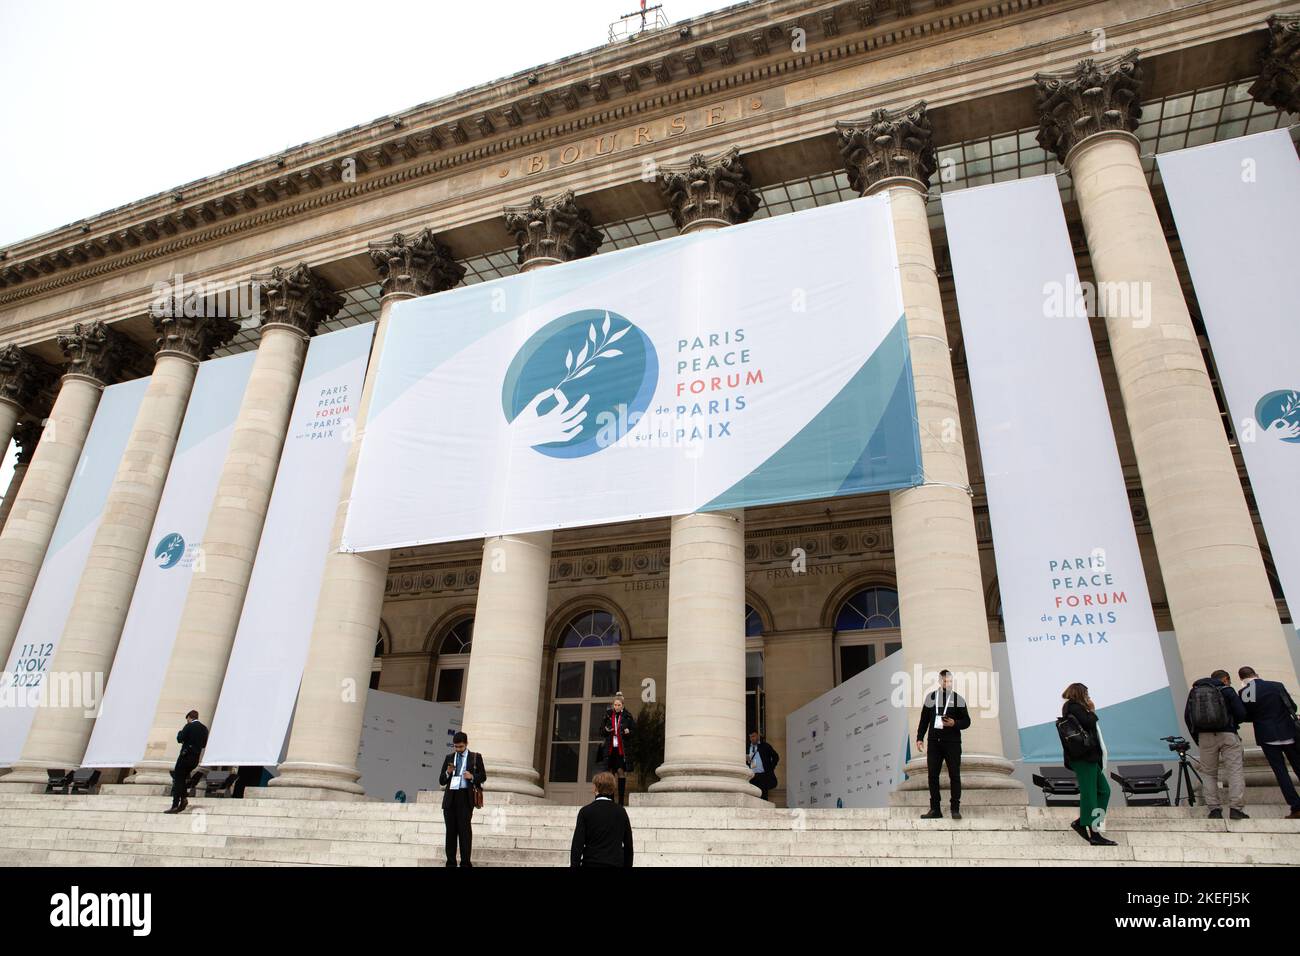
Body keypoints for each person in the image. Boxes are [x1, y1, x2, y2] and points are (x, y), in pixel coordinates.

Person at [1183, 670, 1249, 819]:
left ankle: (1214, 809)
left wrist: (1198, 738)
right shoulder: (1227, 690)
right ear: (1225, 679)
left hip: (1205, 737)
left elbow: (1188, 717)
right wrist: (1232, 725)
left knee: (1208, 773)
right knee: (1234, 771)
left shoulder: (1195, 692)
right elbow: (1241, 713)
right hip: (1228, 735)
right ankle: (1236, 808)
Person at [1239, 666, 1300, 820]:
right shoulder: (1276, 685)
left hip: (1267, 735)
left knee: (1281, 773)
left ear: (1242, 679)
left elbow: (1245, 715)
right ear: (1256, 674)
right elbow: (1292, 707)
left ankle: (1296, 806)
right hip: (1287, 732)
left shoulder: (1245, 692)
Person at [1060, 683, 1116, 846]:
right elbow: (1089, 722)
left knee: (1103, 791)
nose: (1088, 696)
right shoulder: (1073, 707)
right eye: (1086, 693)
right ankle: (1094, 833)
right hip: (1082, 757)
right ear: (1080, 693)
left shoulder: (1074, 707)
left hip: (1089, 757)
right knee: (1090, 793)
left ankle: (1082, 822)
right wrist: (1091, 709)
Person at [915, 669, 970, 820]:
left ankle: (955, 808)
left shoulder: (958, 699)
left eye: (950, 681)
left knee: (955, 775)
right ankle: (935, 809)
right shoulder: (931, 697)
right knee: (932, 776)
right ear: (940, 681)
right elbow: (924, 720)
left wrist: (954, 723)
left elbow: (967, 721)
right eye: (945, 681)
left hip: (952, 743)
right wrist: (919, 738)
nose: (948, 683)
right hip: (934, 743)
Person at [439, 731, 486, 867]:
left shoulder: (475, 757)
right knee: (450, 832)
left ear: (466, 744)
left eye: (460, 746)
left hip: (465, 798)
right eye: (455, 747)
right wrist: (448, 772)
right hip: (450, 798)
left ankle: (466, 863)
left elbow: (483, 776)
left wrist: (472, 777)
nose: (458, 749)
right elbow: (441, 781)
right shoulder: (449, 757)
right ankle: (451, 863)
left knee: (465, 832)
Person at [570, 771, 634, 867]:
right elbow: (628, 846)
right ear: (612, 790)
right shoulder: (621, 812)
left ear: (595, 788)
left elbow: (577, 845)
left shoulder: (585, 811)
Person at [164, 709, 207, 815]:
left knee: (178, 779)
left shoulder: (189, 726)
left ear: (189, 717)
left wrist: (180, 733)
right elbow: (203, 744)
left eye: (187, 719)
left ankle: (176, 804)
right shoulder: (204, 728)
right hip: (195, 759)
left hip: (185, 757)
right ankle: (183, 799)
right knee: (182, 779)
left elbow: (180, 738)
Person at [598, 693, 636, 805]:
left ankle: (620, 801)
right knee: (610, 774)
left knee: (620, 772)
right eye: (615, 705)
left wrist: (628, 732)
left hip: (621, 749)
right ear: (613, 705)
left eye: (619, 705)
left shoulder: (627, 716)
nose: (617, 707)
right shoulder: (608, 715)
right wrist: (605, 730)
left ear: (622, 706)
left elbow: (634, 731)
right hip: (610, 748)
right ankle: (611, 799)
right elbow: (601, 731)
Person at [746, 730, 779, 800]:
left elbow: (776, 757)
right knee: (753, 796)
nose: (752, 738)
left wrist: (771, 767)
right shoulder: (747, 748)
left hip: (763, 775)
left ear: (758, 736)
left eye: (754, 736)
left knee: (763, 796)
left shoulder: (765, 746)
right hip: (752, 776)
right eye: (750, 737)